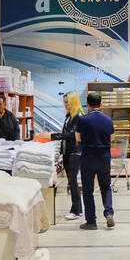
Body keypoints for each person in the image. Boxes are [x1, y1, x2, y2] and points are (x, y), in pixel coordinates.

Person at [75, 91, 115, 229]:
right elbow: (111, 138)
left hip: (88, 158)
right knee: (105, 187)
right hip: (104, 158)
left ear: (88, 104)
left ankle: (91, 222)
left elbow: (78, 138)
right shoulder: (108, 120)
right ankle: (109, 213)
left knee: (88, 190)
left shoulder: (83, 120)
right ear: (101, 104)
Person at [51, 92, 83, 220]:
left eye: (67, 102)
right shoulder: (69, 116)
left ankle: (75, 211)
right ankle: (77, 209)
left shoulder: (78, 116)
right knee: (72, 181)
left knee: (73, 181)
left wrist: (53, 136)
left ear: (73, 101)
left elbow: (71, 135)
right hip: (68, 152)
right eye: (64, 102)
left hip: (74, 152)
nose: (65, 105)